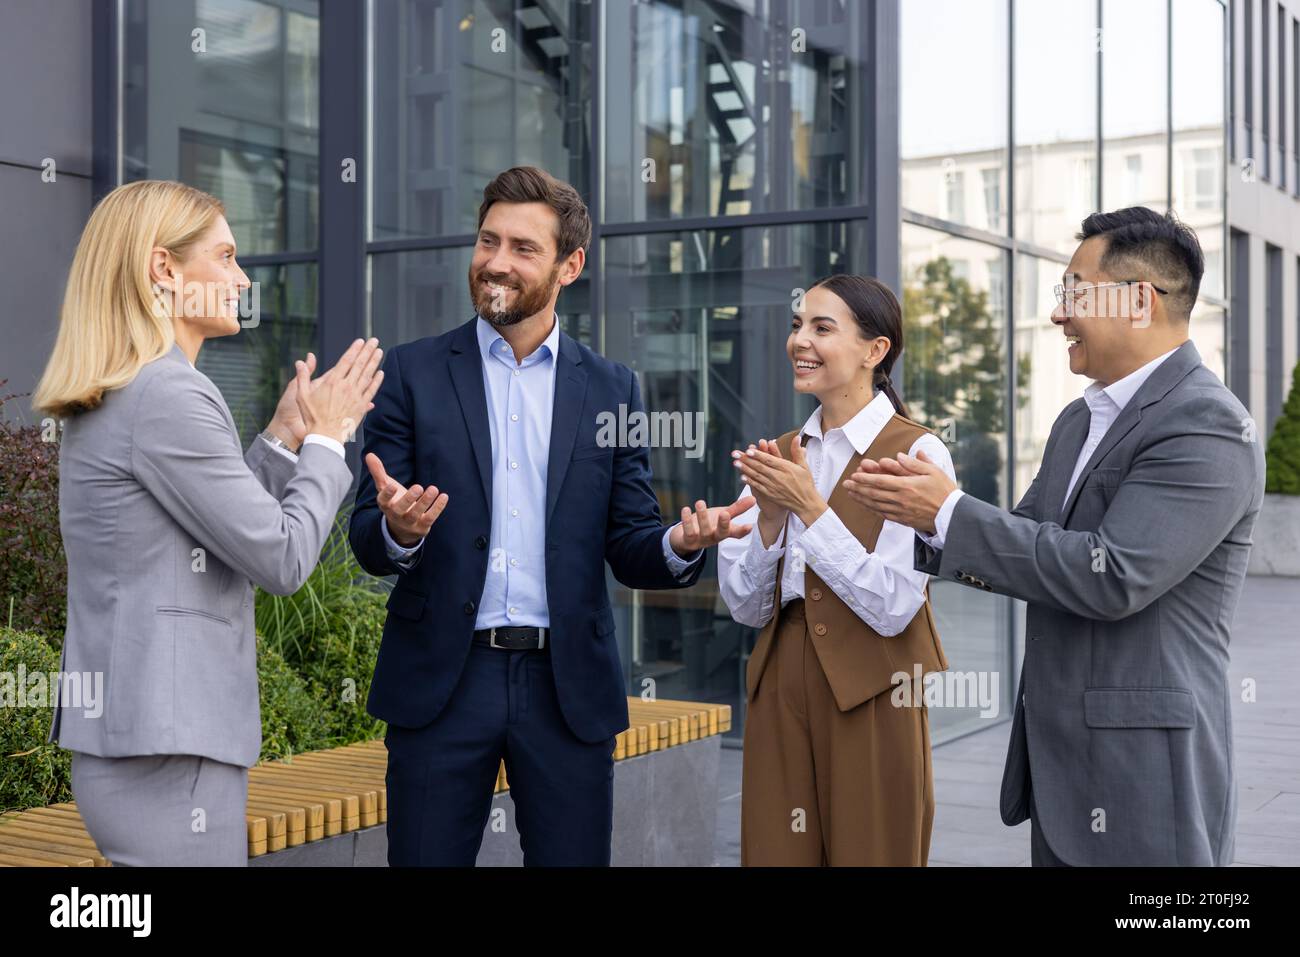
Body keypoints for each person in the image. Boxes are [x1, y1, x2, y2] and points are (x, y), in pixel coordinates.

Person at [348, 166, 751, 866]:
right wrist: (399, 530)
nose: (496, 262)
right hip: (444, 680)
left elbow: (628, 541)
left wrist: (679, 544)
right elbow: (367, 537)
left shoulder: (611, 387)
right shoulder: (413, 374)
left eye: (523, 248)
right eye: (487, 240)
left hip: (566, 688)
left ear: (571, 264)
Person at [844, 207, 1264, 866]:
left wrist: (949, 510)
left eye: (1071, 293)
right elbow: (1027, 543)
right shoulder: (1078, 418)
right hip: (1062, 768)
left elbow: (1110, 574)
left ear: (1137, 302)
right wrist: (919, 515)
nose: (1056, 315)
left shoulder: (1207, 424)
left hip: (1146, 776)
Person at [35, 179, 383, 866]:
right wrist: (327, 438)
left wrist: (284, 438)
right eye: (225, 257)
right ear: (164, 268)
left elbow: (215, 535)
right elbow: (281, 558)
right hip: (170, 750)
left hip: (143, 747)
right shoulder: (168, 393)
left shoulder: (132, 388)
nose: (242, 278)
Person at [719, 274, 953, 866]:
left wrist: (808, 510)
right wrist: (772, 526)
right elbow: (747, 609)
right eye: (798, 325)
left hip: (876, 689)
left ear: (875, 351)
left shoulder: (918, 454)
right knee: (775, 854)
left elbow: (895, 605)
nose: (801, 340)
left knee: (872, 851)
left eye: (823, 328)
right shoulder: (777, 454)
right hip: (779, 684)